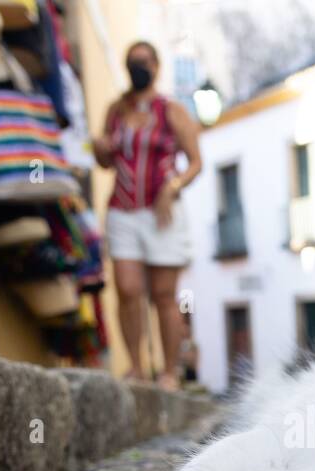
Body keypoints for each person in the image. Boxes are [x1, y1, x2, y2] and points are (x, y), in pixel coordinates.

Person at [93, 41, 202, 391]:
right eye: (131, 62)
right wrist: (101, 149)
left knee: (164, 294)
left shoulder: (170, 110)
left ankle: (169, 372)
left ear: (155, 66)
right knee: (127, 289)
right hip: (123, 209)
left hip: (161, 212)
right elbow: (107, 162)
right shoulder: (116, 110)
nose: (136, 68)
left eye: (142, 62)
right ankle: (137, 367)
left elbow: (196, 161)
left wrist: (174, 186)